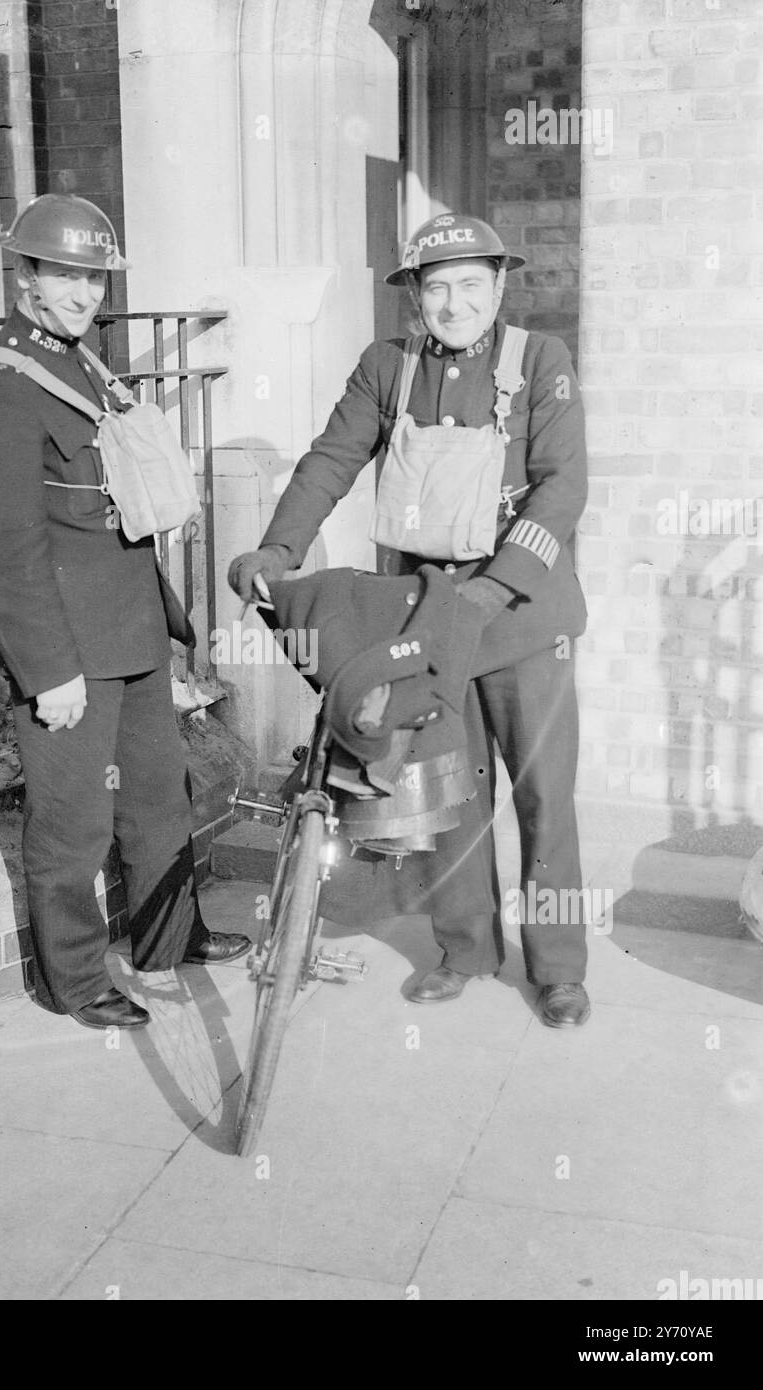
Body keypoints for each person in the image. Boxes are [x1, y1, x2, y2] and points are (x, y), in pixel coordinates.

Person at [228, 211, 590, 1028]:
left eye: (470, 285)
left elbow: (564, 487)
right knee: (447, 793)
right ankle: (464, 948)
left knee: (544, 796)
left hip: (526, 618)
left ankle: (559, 966)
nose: (454, 304)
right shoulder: (385, 368)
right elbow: (330, 460)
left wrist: (496, 589)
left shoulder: (541, 363)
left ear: (499, 287)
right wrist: (279, 548)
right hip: (424, 623)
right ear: (413, 298)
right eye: (436, 287)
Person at [0, 193, 249, 1032]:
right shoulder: (7, 386)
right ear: (26, 277)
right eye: (67, 274)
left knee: (158, 801)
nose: (85, 292)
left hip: (129, 632)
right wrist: (48, 674)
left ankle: (168, 937)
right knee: (73, 827)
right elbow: (5, 549)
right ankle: (76, 980)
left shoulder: (82, 363)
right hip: (71, 651)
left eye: (94, 276)